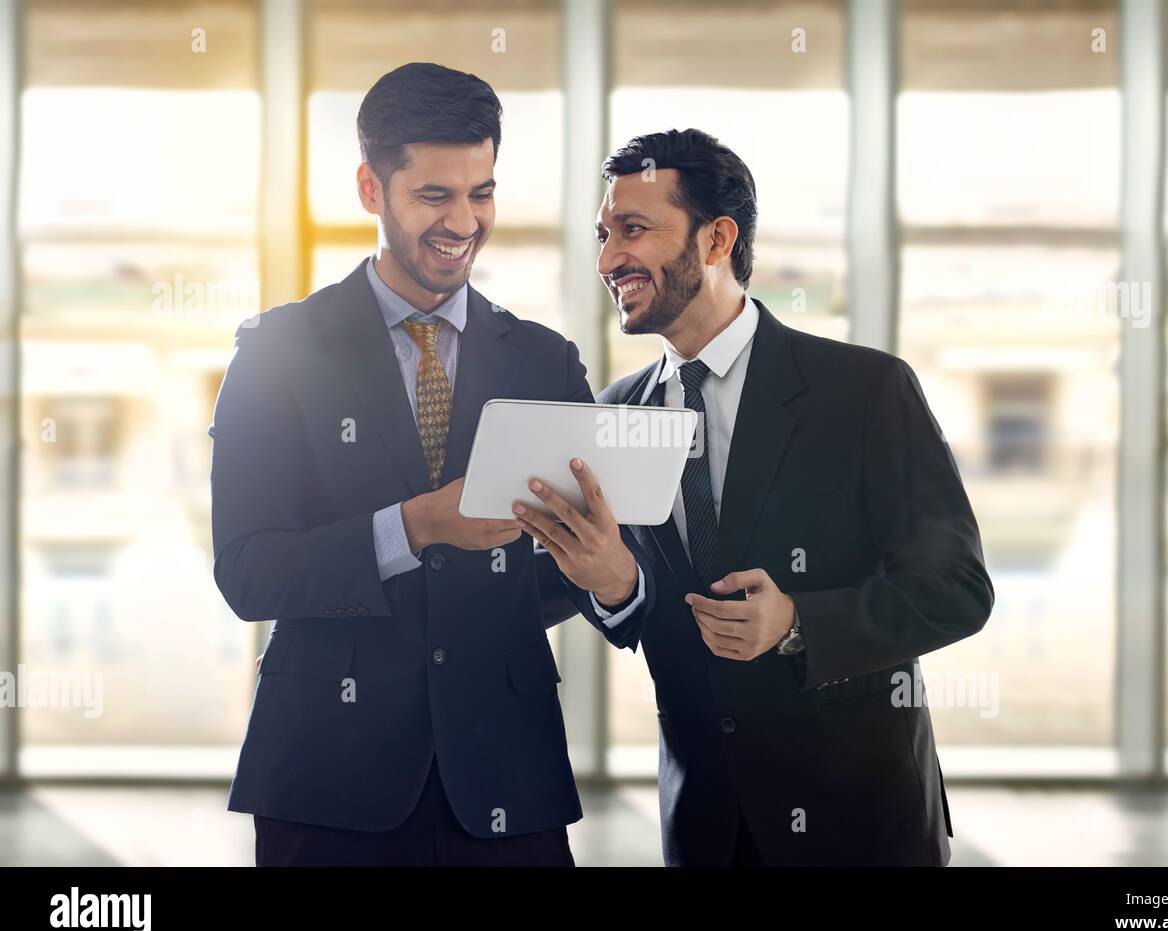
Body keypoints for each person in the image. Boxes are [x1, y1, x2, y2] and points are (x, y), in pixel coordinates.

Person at [208, 62, 651, 866]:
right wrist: (412, 529)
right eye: (434, 196)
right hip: (327, 779)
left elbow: (561, 571)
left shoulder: (547, 364)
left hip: (508, 779)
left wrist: (605, 572)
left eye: (481, 193)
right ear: (371, 190)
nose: (463, 221)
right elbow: (247, 572)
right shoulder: (278, 352)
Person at [591, 128, 994, 866]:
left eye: (634, 229)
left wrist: (799, 621)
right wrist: (611, 587)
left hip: (860, 822)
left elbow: (958, 590)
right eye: (605, 233)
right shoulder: (617, 413)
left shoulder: (865, 390)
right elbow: (643, 609)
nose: (610, 256)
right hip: (705, 826)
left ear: (716, 240)